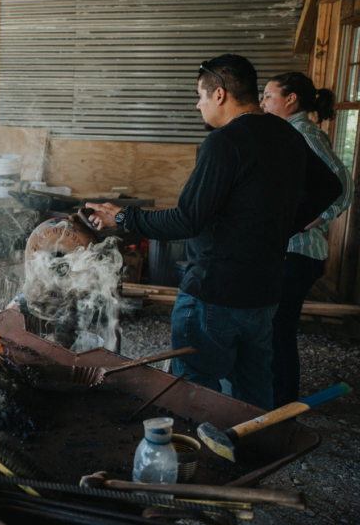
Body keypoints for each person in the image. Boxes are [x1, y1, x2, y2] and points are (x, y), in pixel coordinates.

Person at [87, 54, 342, 410]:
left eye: (200, 96)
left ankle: (200, 446)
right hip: (264, 293)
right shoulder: (287, 134)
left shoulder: (224, 142)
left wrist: (124, 217)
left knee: (193, 395)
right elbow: (330, 187)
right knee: (254, 397)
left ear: (220, 94)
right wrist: (281, 226)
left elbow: (187, 220)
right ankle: (254, 443)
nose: (198, 104)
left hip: (213, 293)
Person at [260, 72, 354, 408]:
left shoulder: (304, 133)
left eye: (268, 96)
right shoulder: (288, 132)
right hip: (290, 250)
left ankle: (282, 409)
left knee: (279, 332)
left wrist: (307, 222)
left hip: (299, 252)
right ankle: (276, 405)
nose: (262, 103)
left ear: (290, 99)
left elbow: (342, 186)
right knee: (275, 330)